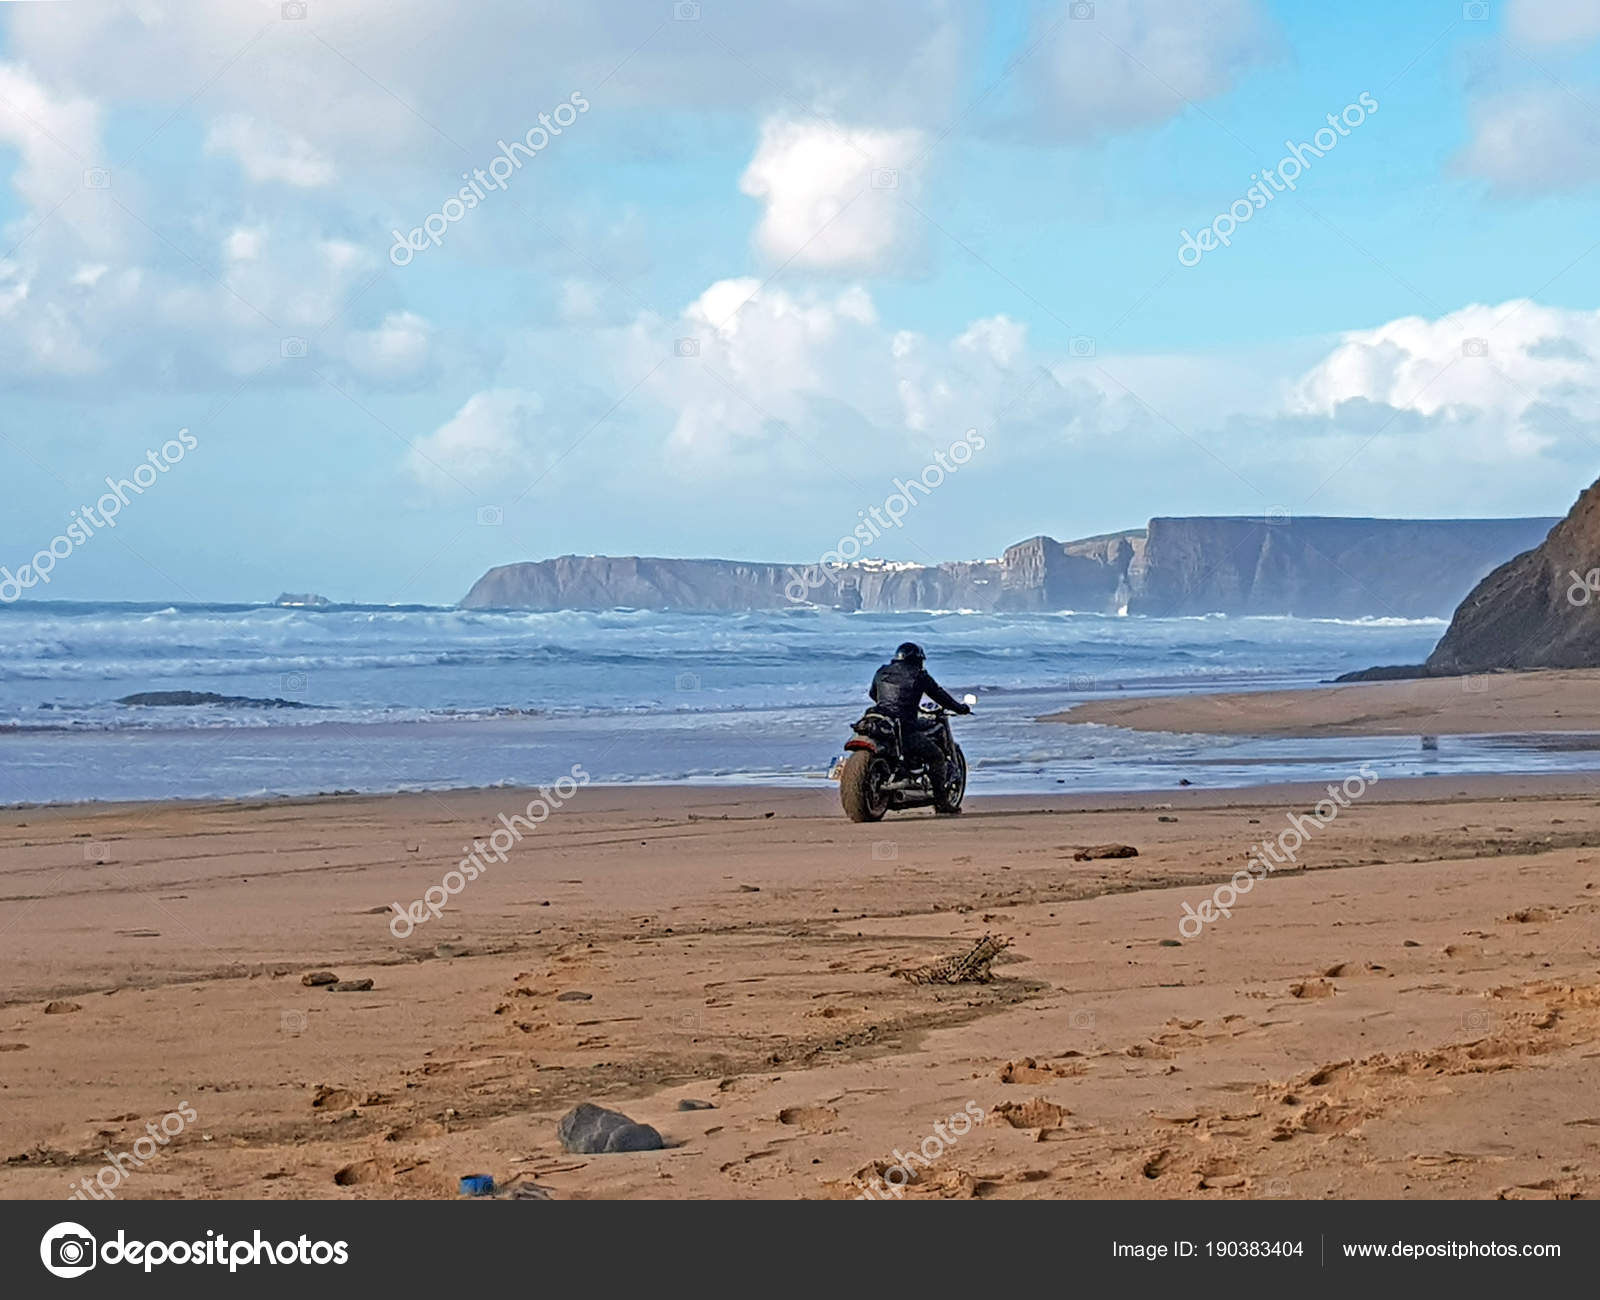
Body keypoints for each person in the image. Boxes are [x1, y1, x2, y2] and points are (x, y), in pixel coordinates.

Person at [868, 642, 970, 791]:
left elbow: (873, 694)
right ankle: (942, 803)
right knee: (937, 756)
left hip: (881, 720)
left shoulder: (882, 671)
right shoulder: (919, 675)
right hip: (905, 726)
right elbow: (941, 696)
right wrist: (961, 708)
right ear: (917, 660)